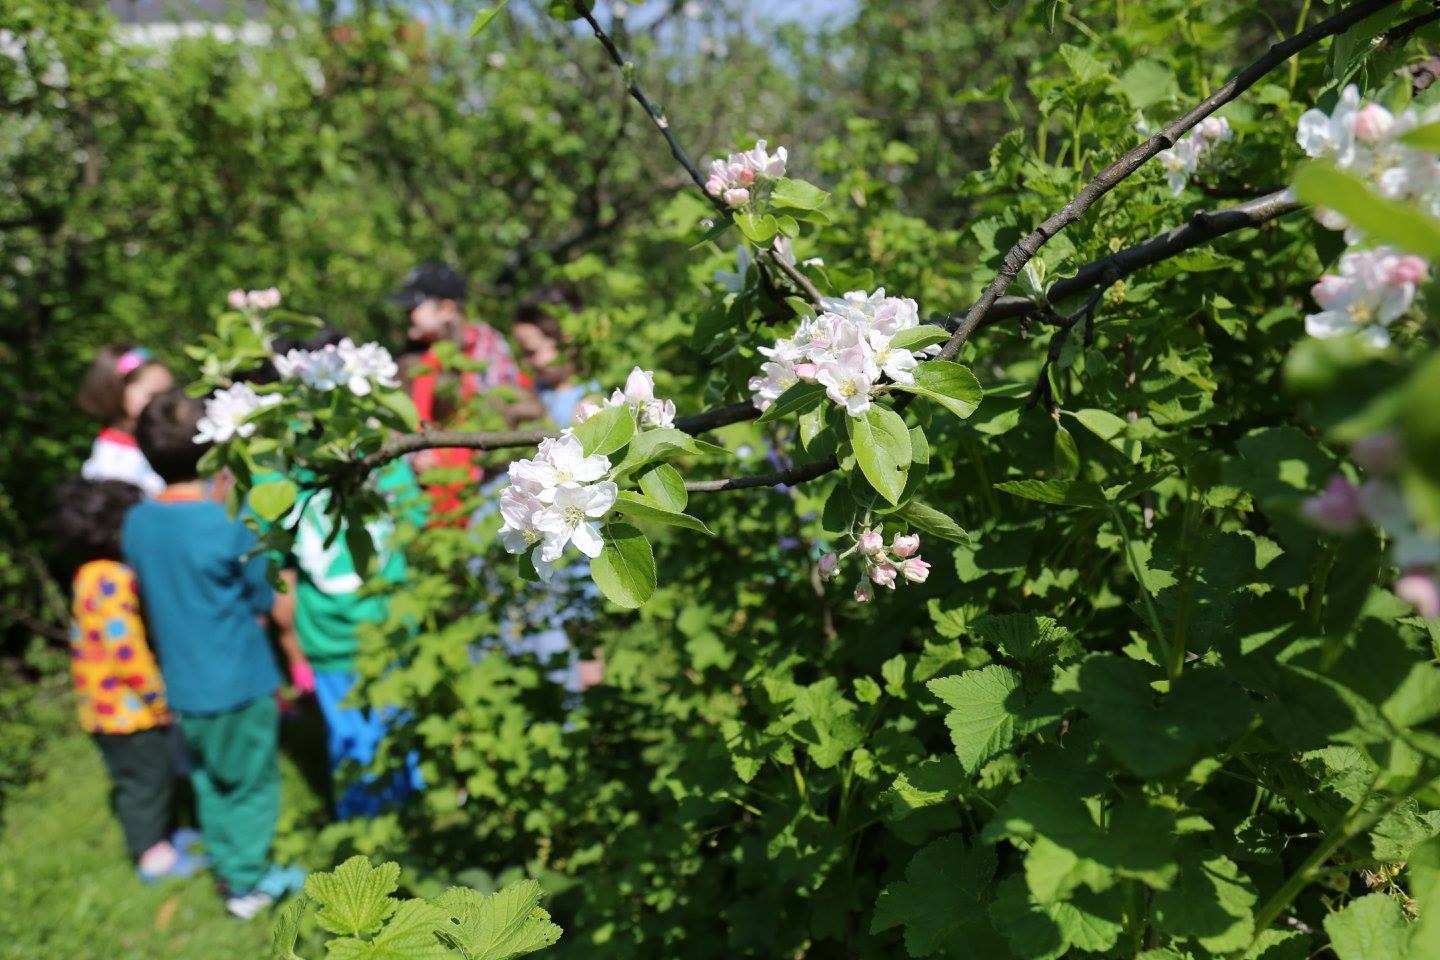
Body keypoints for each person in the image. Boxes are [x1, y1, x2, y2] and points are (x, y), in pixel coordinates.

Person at [120, 389, 304, 920]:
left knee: (209, 779)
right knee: (250, 783)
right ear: (215, 448)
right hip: (239, 680)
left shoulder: (137, 523)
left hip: (182, 682)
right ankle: (249, 882)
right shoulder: (231, 519)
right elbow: (262, 598)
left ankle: (227, 862)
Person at [260, 328, 427, 818]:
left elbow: (413, 521)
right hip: (342, 637)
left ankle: (407, 817)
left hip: (382, 626)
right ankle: (370, 833)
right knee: (362, 738)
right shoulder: (281, 477)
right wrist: (293, 652)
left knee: (387, 730)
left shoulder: (377, 457)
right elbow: (281, 570)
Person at [51, 476, 204, 883]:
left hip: (107, 710)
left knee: (148, 778)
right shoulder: (111, 579)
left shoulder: (88, 574)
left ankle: (165, 836)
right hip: (127, 713)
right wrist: (159, 697)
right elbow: (126, 652)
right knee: (144, 783)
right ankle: (152, 856)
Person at [504, 293, 604, 693]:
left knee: (581, 631)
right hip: (547, 530)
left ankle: (591, 701)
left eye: (534, 350)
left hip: (578, 541)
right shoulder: (539, 395)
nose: (530, 362)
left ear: (564, 341)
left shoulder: (589, 401)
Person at [389, 261, 542, 520]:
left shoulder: (485, 346)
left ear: (446, 309)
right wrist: (415, 456)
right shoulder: (410, 359)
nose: (406, 314)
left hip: (484, 484)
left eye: (413, 307)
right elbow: (397, 422)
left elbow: (506, 407)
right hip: (426, 491)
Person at [77, 345, 174, 496]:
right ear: (118, 391)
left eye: (170, 393)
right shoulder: (111, 460)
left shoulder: (158, 442)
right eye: (153, 395)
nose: (167, 403)